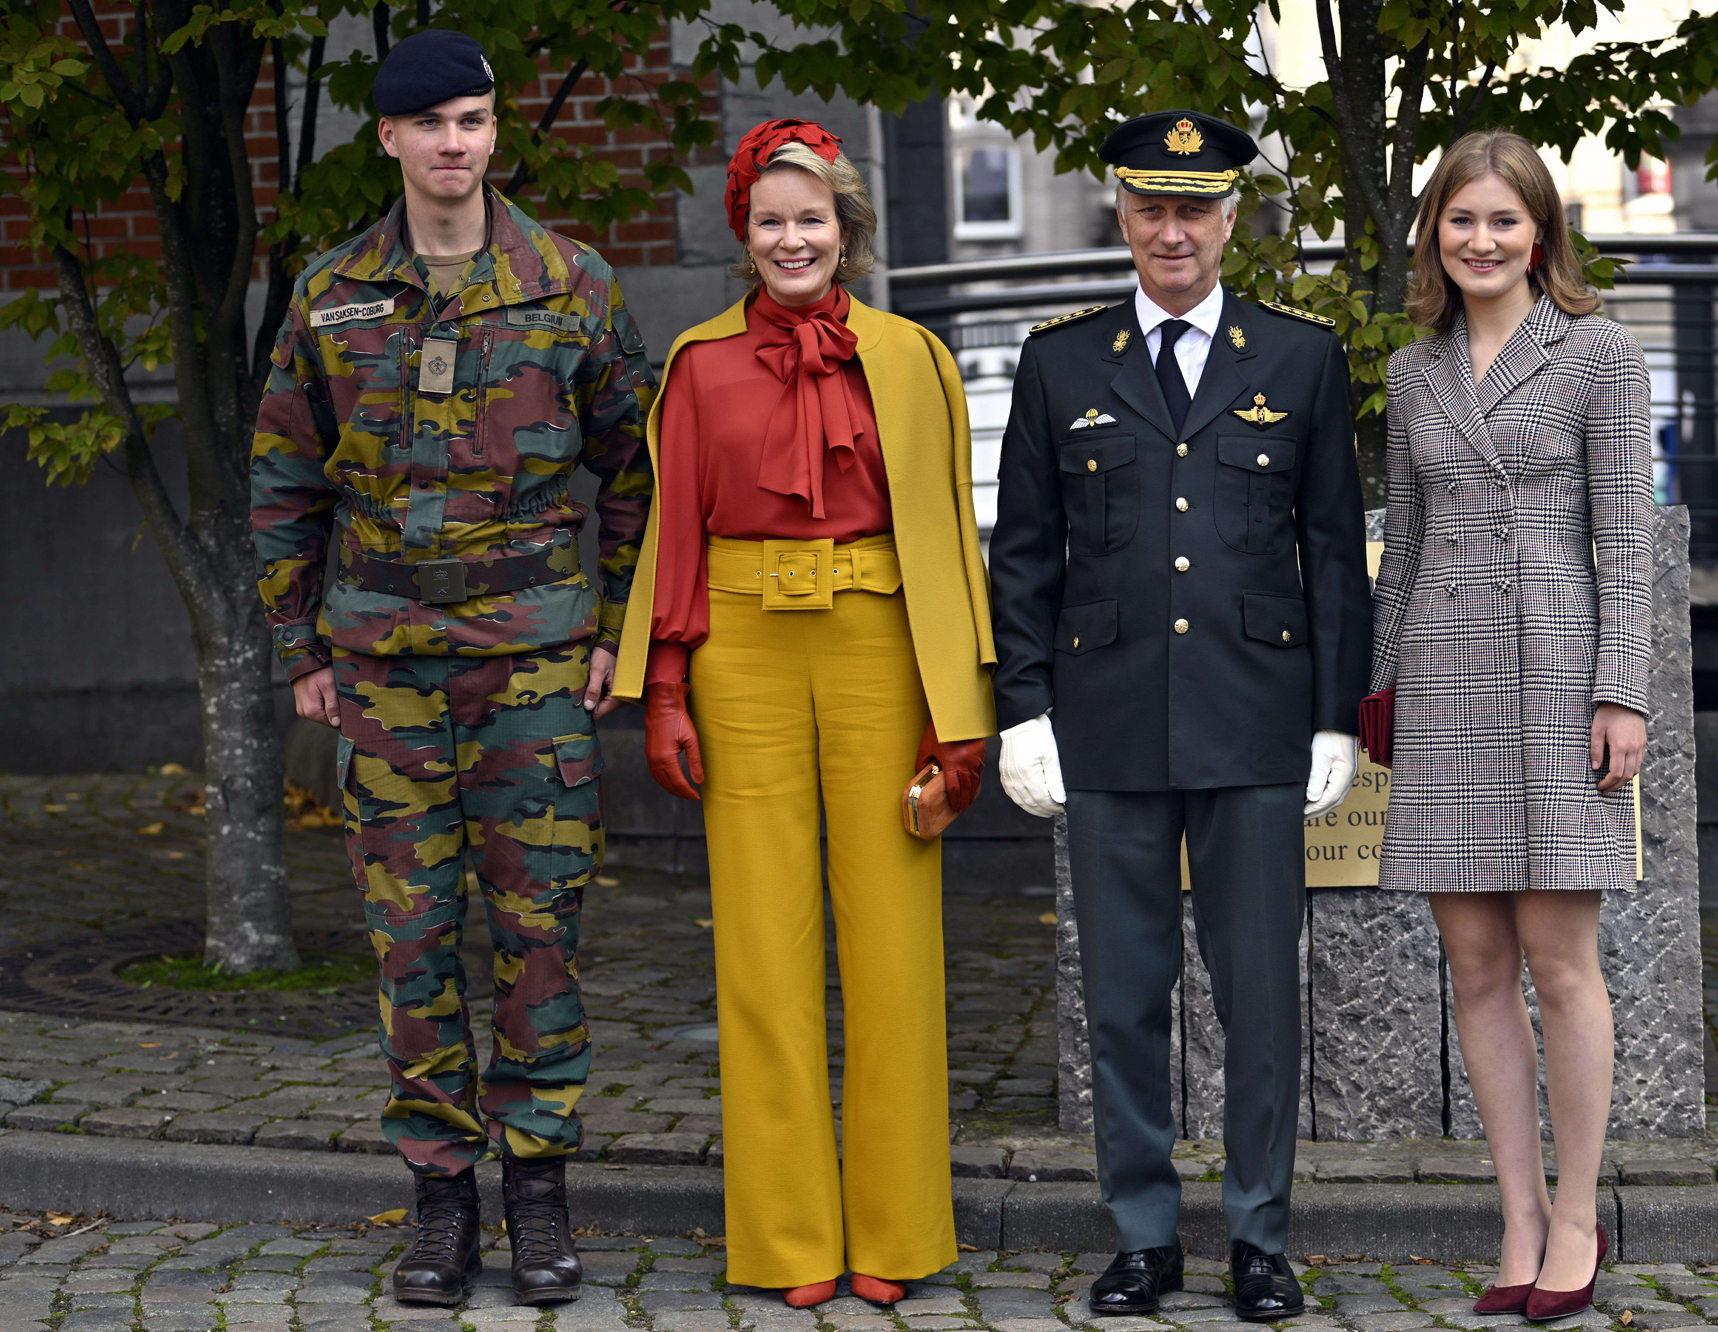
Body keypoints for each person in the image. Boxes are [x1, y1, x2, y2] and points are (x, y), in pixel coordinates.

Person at [250, 29, 655, 1308]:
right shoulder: (332, 293)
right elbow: (282, 478)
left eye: (472, 120)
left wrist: (614, 627)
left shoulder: (570, 283)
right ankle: (440, 1203)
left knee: (541, 932)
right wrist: (300, 645)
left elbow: (634, 471)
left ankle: (538, 1194)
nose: (453, 143)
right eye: (429, 123)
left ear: (494, 133)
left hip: (532, 666)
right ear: (388, 138)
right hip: (381, 671)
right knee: (409, 939)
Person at [988, 110, 1372, 1322]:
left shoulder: (1298, 358)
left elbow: (1331, 554)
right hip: (1106, 722)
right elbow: (1024, 555)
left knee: (1257, 997)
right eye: (1150, 208)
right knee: (1120, 998)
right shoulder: (1060, 363)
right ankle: (1143, 1237)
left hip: (1255, 720)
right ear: (1120, 213)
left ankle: (1258, 1235)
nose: (1172, 232)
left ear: (1229, 220)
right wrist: (1022, 707)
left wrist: (1335, 717)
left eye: (1194, 210)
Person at [607, 119, 996, 1307]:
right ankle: (783, 1240)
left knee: (893, 948)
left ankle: (894, 1232)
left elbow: (949, 538)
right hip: (740, 659)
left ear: (845, 227)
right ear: (744, 231)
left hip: (880, 648)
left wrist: (958, 710)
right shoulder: (696, 364)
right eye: (769, 220)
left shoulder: (914, 358)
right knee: (760, 951)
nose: (791, 239)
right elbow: (674, 535)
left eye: (810, 218)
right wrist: (663, 689)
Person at [1369, 128, 1653, 1322]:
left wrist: (1621, 690)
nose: (1478, 240)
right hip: (1442, 681)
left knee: (1558, 959)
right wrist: (1376, 696)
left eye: (1501, 219)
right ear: (1432, 233)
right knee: (1475, 965)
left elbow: (1625, 539)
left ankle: (1578, 1213)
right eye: (1459, 219)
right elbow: (1402, 550)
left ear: (1539, 233)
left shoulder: (1598, 354)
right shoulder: (1411, 373)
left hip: (1555, 681)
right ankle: (1517, 1216)